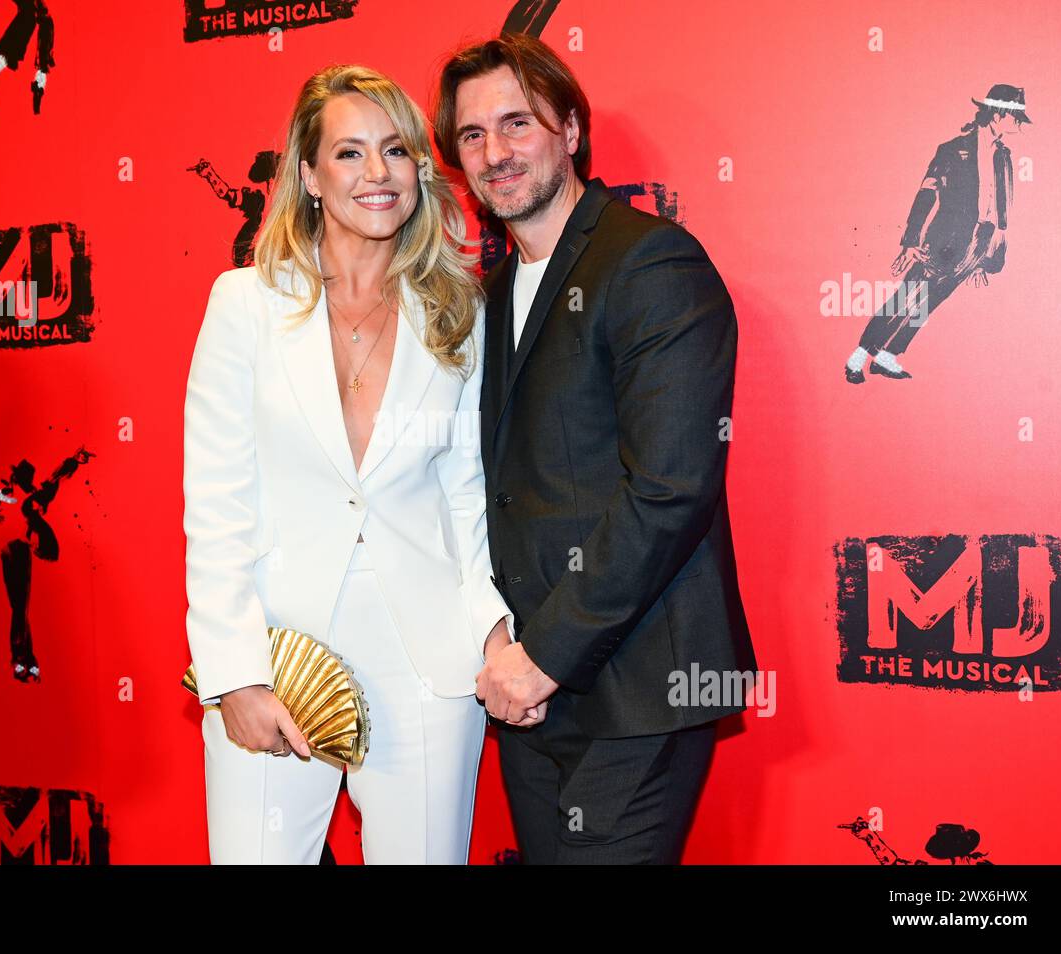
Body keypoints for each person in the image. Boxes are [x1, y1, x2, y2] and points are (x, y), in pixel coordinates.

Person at [183, 63, 527, 864]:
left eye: (397, 151)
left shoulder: (459, 313)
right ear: (307, 174)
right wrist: (233, 675)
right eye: (349, 153)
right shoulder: (244, 305)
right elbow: (217, 505)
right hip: (276, 652)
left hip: (428, 660)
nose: (378, 174)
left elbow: (466, 497)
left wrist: (492, 633)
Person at [433, 33, 758, 864]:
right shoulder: (491, 295)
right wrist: (506, 648)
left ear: (570, 131)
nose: (496, 152)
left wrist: (545, 654)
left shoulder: (648, 261)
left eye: (518, 123)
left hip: (635, 689)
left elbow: (670, 487)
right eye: (473, 135)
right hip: (530, 692)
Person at [844, 84, 1029, 383]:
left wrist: (989, 257)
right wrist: (911, 241)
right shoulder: (953, 149)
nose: (1020, 123)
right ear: (998, 114)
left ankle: (887, 356)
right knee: (905, 298)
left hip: (977, 246)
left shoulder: (1004, 156)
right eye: (1016, 116)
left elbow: (1002, 209)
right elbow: (926, 194)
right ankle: (858, 357)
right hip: (942, 241)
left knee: (930, 302)